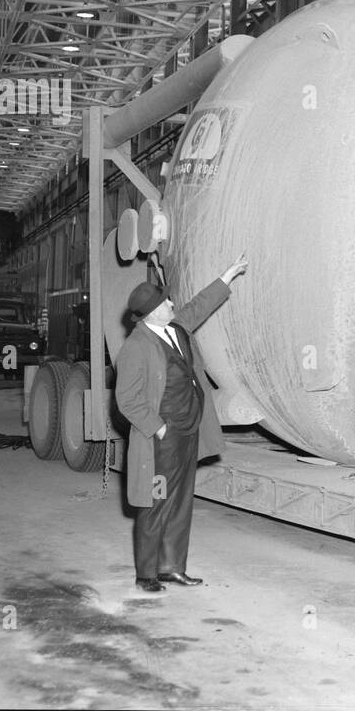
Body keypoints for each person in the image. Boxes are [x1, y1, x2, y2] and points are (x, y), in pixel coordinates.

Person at [115, 253, 249, 593]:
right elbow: (126, 399)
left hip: (188, 430)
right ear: (151, 313)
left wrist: (227, 276)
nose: (172, 304)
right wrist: (158, 428)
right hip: (161, 439)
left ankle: (172, 567)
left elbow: (199, 305)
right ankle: (146, 574)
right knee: (156, 502)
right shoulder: (136, 347)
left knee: (181, 501)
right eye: (165, 302)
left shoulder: (175, 327)